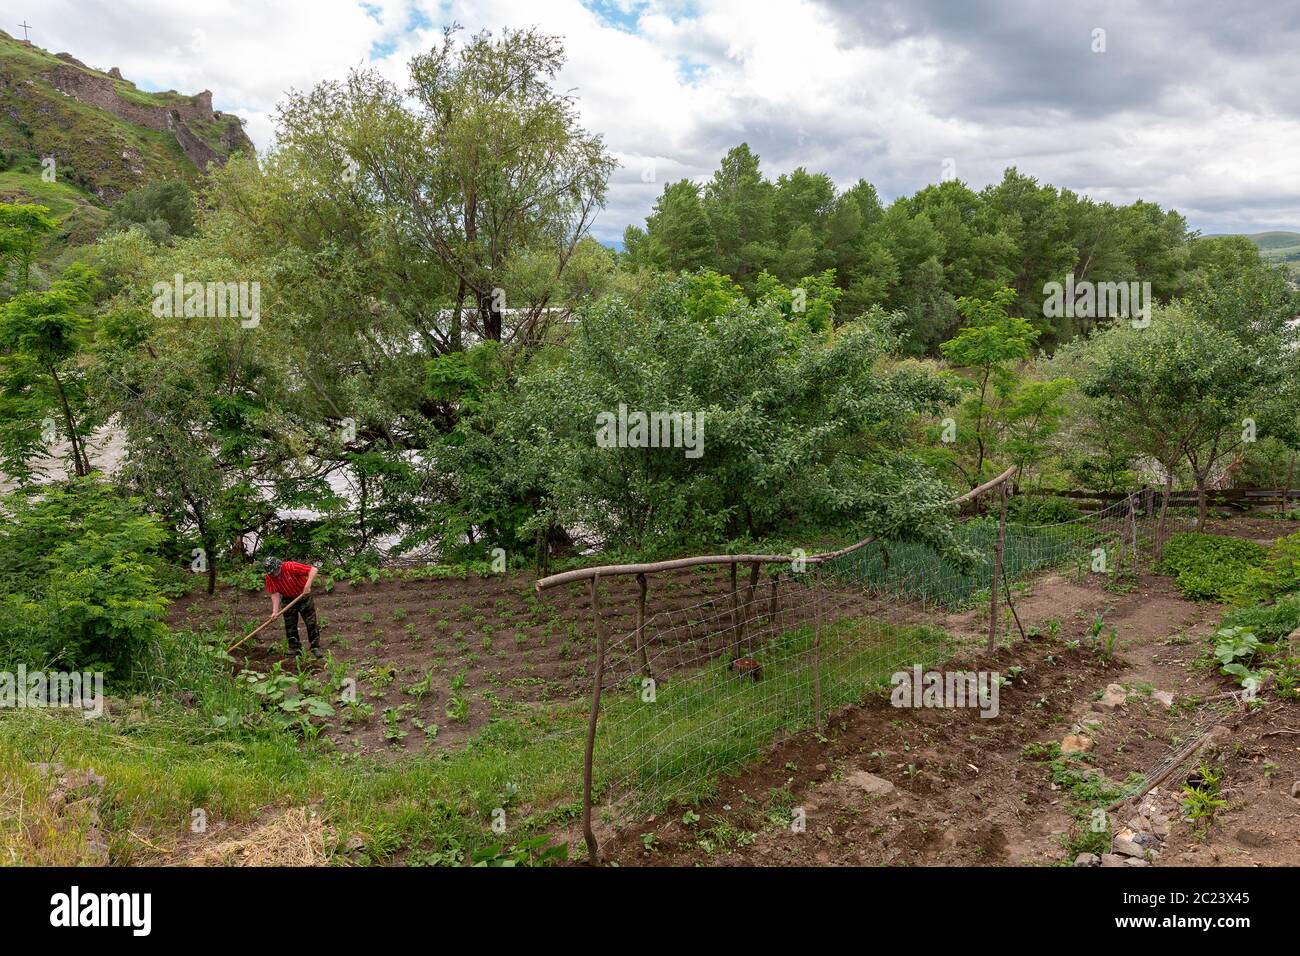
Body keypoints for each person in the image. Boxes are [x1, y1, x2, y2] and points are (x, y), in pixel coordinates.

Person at [263, 556, 323, 658]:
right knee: (290, 625)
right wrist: (275, 611)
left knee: (311, 623)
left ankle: (315, 647)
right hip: (287, 599)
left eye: (274, 571)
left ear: (279, 566)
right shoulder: (269, 577)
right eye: (271, 573)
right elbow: (274, 593)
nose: (273, 574)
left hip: (303, 596)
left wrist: (307, 585)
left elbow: (313, 570)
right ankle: (295, 648)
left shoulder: (291, 566)